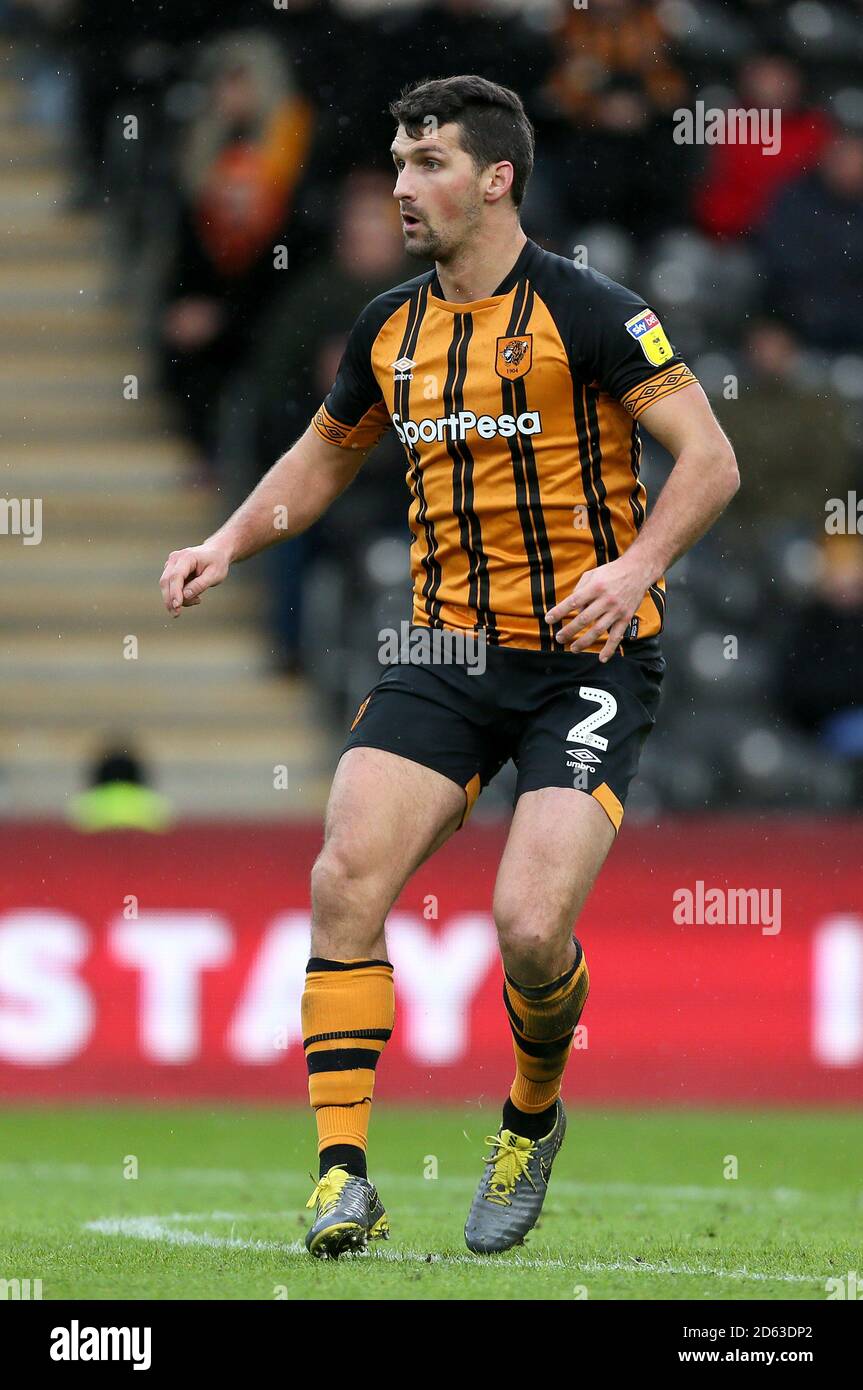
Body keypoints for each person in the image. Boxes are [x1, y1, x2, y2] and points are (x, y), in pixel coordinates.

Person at [159, 75, 739, 1259]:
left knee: (526, 929)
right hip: (443, 650)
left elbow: (711, 461)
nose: (400, 184)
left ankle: (529, 1116)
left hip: (585, 658)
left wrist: (631, 572)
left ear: (495, 179)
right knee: (341, 880)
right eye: (395, 158)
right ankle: (337, 1179)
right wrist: (226, 539)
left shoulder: (591, 311)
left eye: (426, 162)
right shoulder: (388, 328)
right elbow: (321, 462)